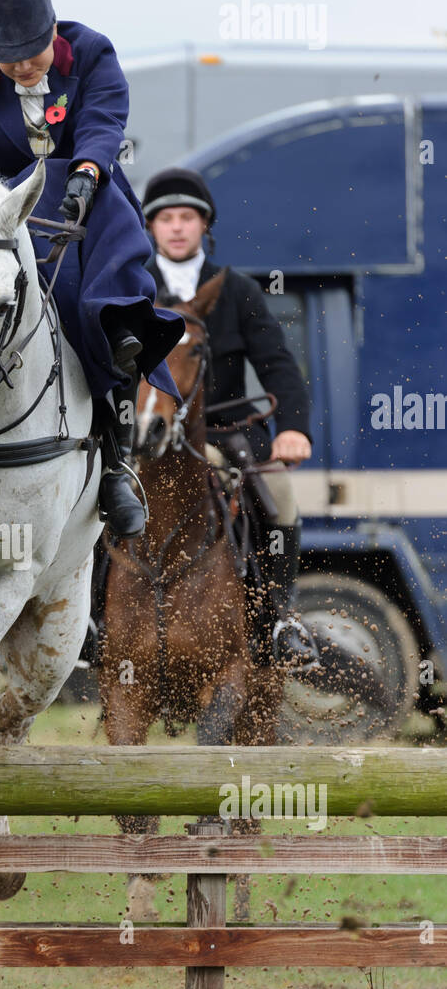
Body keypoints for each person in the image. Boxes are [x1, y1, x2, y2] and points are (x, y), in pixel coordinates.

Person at [0, 0, 185, 538]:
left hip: (81, 202)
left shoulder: (93, 51)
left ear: (52, 29)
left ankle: (115, 446)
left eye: (32, 52)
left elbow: (102, 118)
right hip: (5, 207)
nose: (21, 67)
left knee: (106, 204)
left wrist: (88, 170)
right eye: (8, 57)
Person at [138, 166, 319, 670]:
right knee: (93, 500)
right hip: (142, 434)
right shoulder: (130, 286)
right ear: (151, 228)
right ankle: (88, 620)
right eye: (166, 218)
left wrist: (295, 431)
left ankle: (279, 619)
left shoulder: (237, 289)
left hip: (228, 431)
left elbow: (278, 364)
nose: (176, 227)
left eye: (187, 218)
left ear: (204, 227)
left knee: (280, 498)